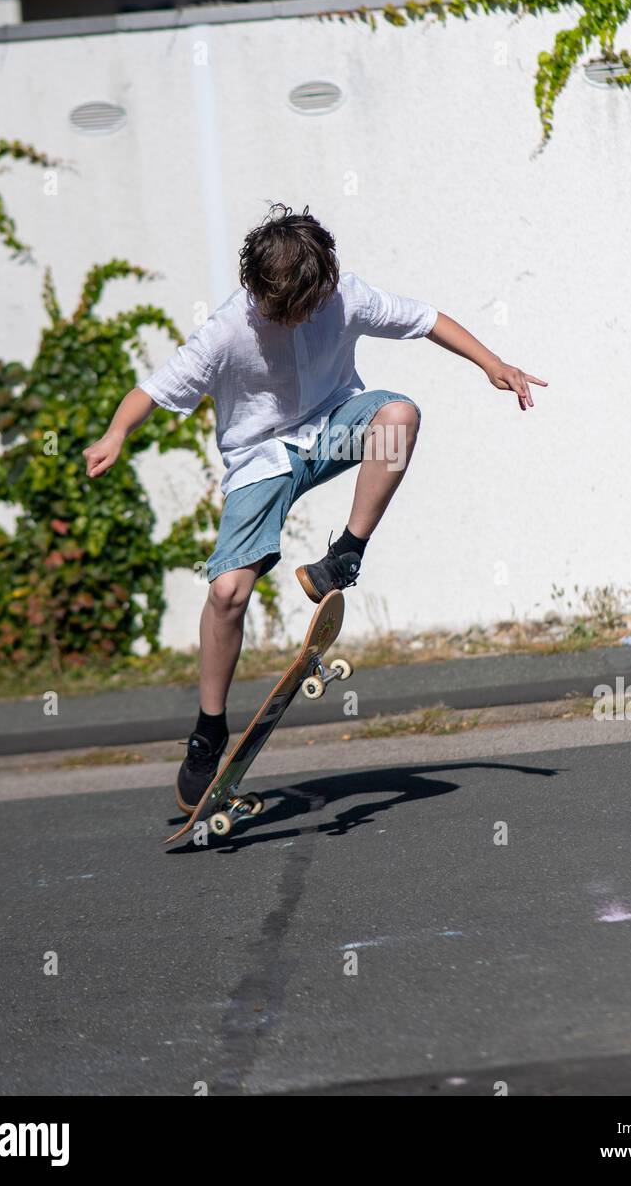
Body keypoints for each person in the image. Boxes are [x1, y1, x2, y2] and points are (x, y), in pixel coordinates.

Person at [83, 204, 546, 812]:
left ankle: (344, 557)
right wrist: (117, 433)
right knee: (226, 594)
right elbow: (153, 388)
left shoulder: (344, 296)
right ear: (258, 291)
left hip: (333, 429)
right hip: (260, 460)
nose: (299, 319)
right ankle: (208, 730)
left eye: (309, 305)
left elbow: (428, 320)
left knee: (398, 415)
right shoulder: (226, 329)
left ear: (325, 282)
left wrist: (494, 364)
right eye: (285, 310)